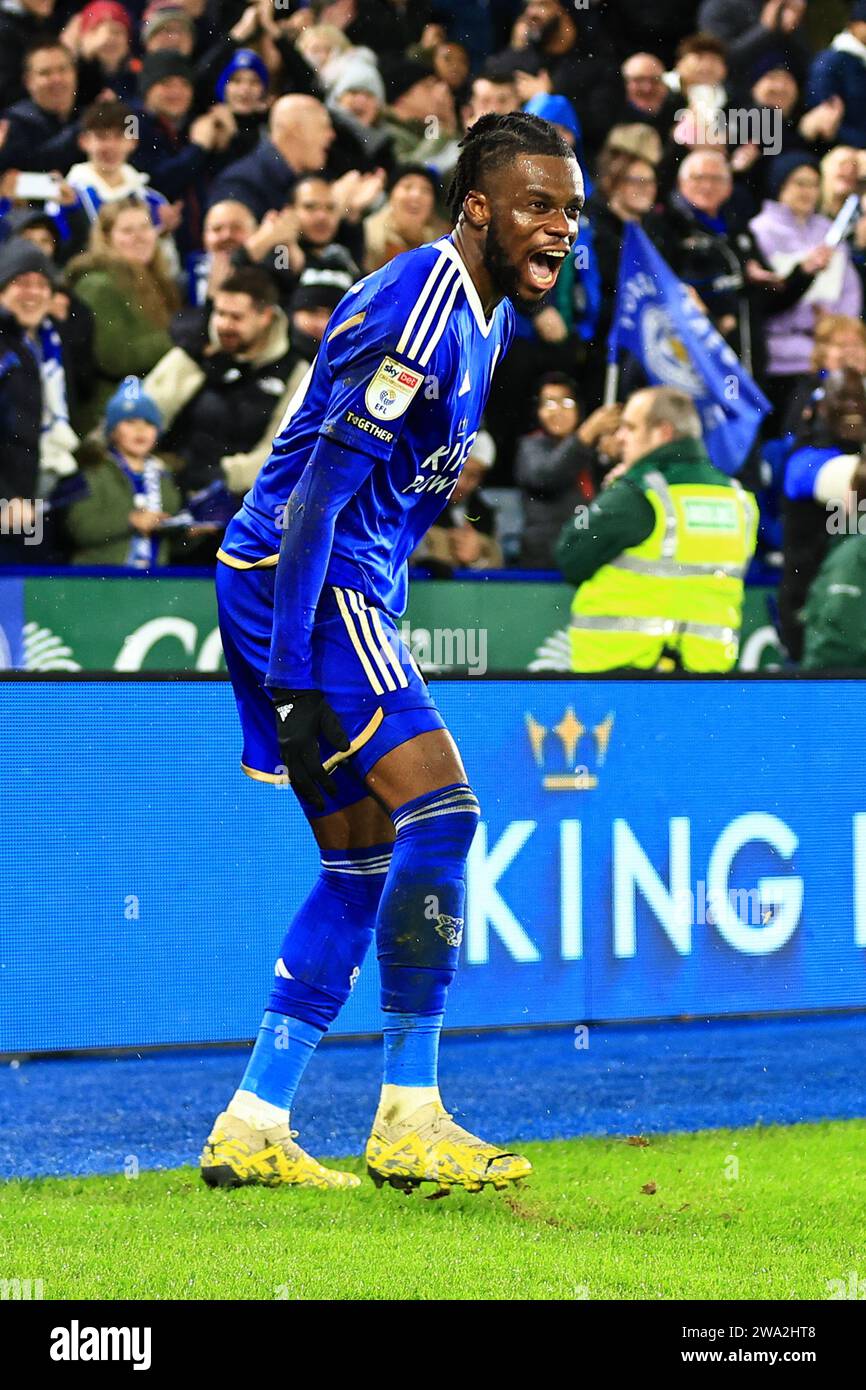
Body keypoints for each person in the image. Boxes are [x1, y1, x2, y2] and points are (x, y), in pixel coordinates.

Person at [199, 111, 583, 1194]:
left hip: (308, 583)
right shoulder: (421, 305)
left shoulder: (487, 320)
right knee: (445, 815)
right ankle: (407, 1117)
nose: (559, 228)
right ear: (476, 206)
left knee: (361, 863)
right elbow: (319, 489)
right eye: (536, 205)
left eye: (571, 210)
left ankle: (252, 1120)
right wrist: (288, 681)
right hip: (304, 585)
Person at [556, 387, 757, 673]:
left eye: (630, 427)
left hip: (628, 674)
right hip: (707, 676)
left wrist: (616, 490)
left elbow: (570, 556)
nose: (620, 437)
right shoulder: (739, 500)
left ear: (662, 433)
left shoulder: (638, 495)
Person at [143, 266, 308, 495]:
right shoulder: (194, 353)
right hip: (170, 486)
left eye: (236, 317)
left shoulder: (294, 372)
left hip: (248, 500)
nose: (224, 325)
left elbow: (282, 451)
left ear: (266, 317)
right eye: (220, 313)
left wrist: (224, 475)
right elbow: (142, 416)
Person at [749, 152, 862, 420]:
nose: (807, 192)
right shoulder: (761, 231)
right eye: (799, 183)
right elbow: (767, 296)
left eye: (813, 184)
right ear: (781, 186)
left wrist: (834, 325)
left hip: (828, 348)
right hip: (780, 351)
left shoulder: (828, 231)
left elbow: (849, 287)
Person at [66, 197, 179, 431]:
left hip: (146, 401)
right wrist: (177, 338)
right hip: (112, 413)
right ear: (107, 238)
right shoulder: (98, 284)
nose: (140, 237)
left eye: (145, 227)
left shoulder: (157, 280)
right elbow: (115, 357)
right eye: (127, 231)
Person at [779, 368, 866, 661]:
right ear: (820, 408)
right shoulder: (803, 461)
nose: (852, 408)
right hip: (810, 608)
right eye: (842, 399)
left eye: (859, 400)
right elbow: (844, 477)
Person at [65, 378, 191, 566]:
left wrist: (190, 533)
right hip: (100, 581)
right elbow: (81, 530)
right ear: (112, 431)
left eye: (148, 423)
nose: (140, 429)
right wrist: (130, 521)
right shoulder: (94, 470)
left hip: (154, 582)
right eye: (130, 422)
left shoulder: (164, 474)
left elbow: (172, 545)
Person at [515, 372, 596, 568]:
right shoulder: (530, 446)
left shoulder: (593, 449)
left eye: (566, 403)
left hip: (587, 554)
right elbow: (545, 477)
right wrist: (585, 436)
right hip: (545, 561)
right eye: (549, 403)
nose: (558, 411)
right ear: (538, 411)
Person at [414, 430, 503, 574]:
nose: (461, 483)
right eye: (459, 471)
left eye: (473, 476)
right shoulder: (415, 504)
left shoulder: (485, 514)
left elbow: (498, 565)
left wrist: (476, 558)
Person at [362, 164, 445, 273]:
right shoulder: (365, 234)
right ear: (391, 195)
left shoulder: (444, 241)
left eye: (425, 190)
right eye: (407, 186)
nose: (416, 195)